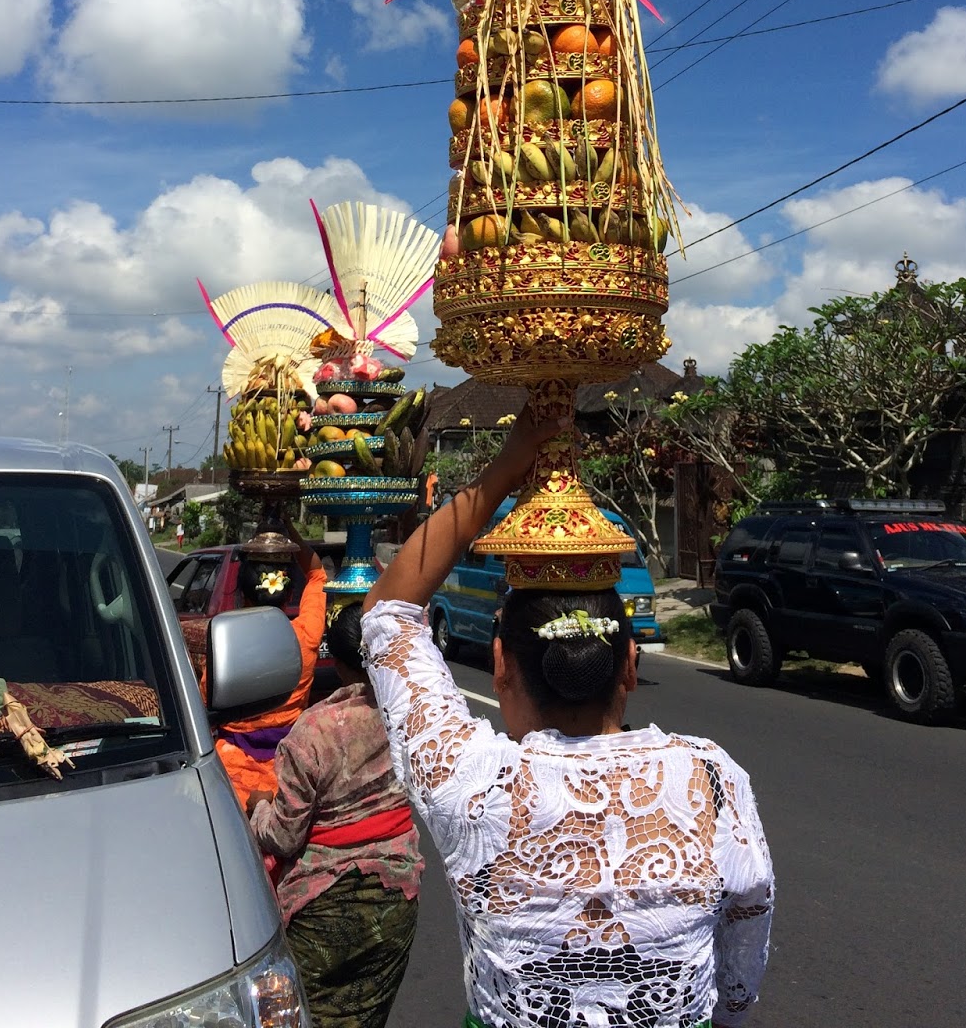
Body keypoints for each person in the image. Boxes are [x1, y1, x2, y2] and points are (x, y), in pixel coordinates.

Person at [362, 411, 773, 1028]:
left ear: (500, 663)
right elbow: (738, 973)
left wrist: (507, 463)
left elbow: (390, 614)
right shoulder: (711, 779)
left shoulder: (473, 785)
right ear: (629, 664)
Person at [247, 602, 423, 1028]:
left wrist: (258, 808)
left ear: (339, 663)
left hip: (326, 904)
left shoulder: (312, 733)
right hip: (397, 898)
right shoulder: (410, 716)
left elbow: (285, 837)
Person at [211, 512, 329, 811]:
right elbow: (317, 575)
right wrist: (289, 529)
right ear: (290, 594)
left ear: (243, 595)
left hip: (231, 772)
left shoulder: (222, 645)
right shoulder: (306, 636)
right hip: (288, 768)